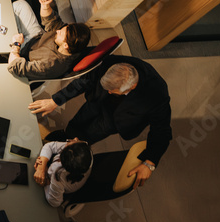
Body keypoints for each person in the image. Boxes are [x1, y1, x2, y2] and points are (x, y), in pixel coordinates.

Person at [29, 57, 172, 188]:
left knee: (88, 136)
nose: (109, 92)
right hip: (97, 102)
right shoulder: (113, 63)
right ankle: (64, 142)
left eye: (112, 90)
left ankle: (71, 158)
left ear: (132, 86)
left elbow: (162, 130)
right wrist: (55, 101)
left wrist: (150, 162)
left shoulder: (157, 94)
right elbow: (85, 81)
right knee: (76, 124)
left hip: (116, 120)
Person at [7, 0, 91, 80]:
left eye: (61, 33)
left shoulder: (50, 65)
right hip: (37, 38)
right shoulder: (69, 39)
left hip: (24, 53)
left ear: (65, 45)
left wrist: (16, 45)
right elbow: (51, 21)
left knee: (2, 37)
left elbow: (15, 66)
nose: (58, 31)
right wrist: (45, 6)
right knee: (21, 5)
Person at [33, 139, 93, 207]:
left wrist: (46, 180)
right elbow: (50, 146)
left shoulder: (58, 176)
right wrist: (41, 167)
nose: (75, 138)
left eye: (69, 142)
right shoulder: (84, 152)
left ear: (61, 159)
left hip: (59, 186)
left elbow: (54, 202)